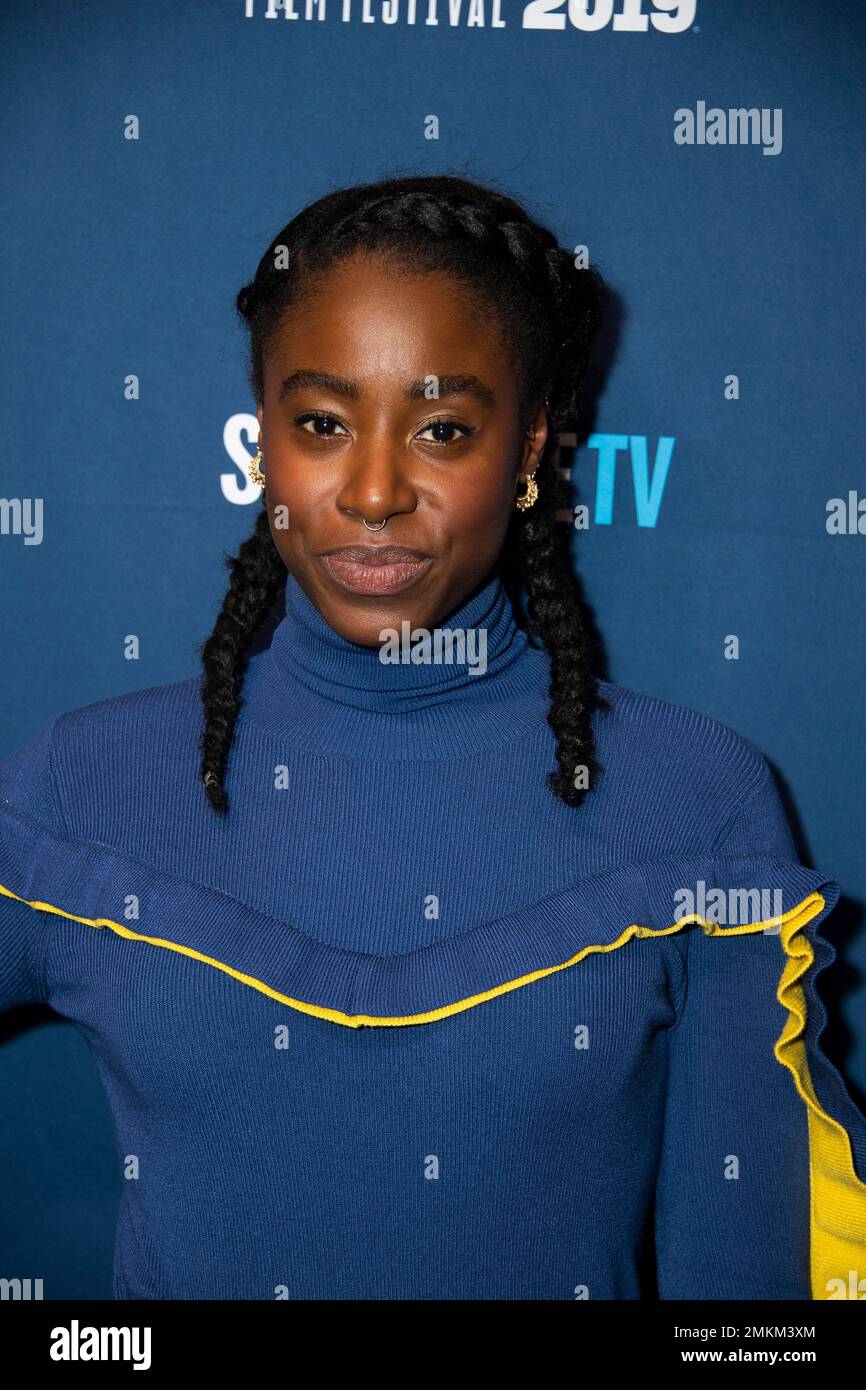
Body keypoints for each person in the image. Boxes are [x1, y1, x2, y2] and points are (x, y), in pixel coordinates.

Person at [1, 173, 864, 1301]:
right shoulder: (86, 780)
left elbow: (751, 1289)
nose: (370, 490)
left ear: (530, 447)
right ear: (264, 438)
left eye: (442, 428)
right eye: (320, 423)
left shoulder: (696, 798)